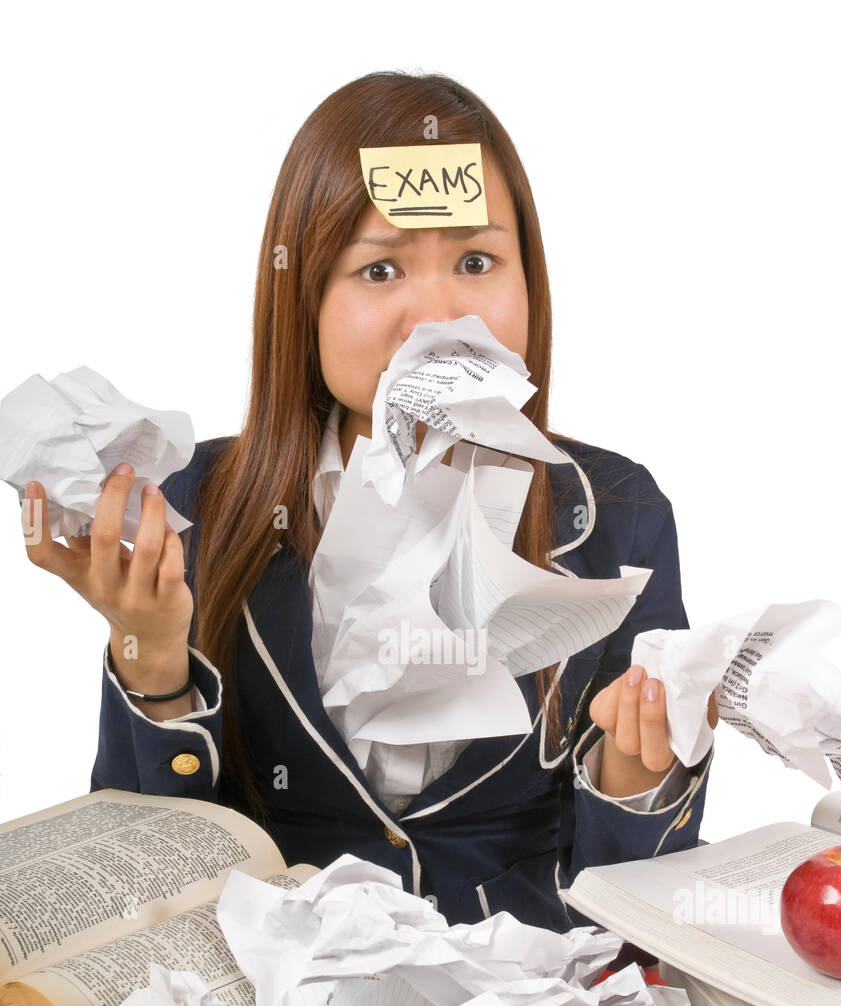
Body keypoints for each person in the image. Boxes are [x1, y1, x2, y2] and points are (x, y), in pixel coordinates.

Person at [21, 71, 717, 932]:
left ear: (530, 282)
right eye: (379, 268)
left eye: (475, 261)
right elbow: (134, 883)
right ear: (301, 300)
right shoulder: (192, 507)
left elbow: (640, 900)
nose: (437, 316)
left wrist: (634, 775)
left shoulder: (617, 511)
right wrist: (151, 656)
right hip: (270, 998)